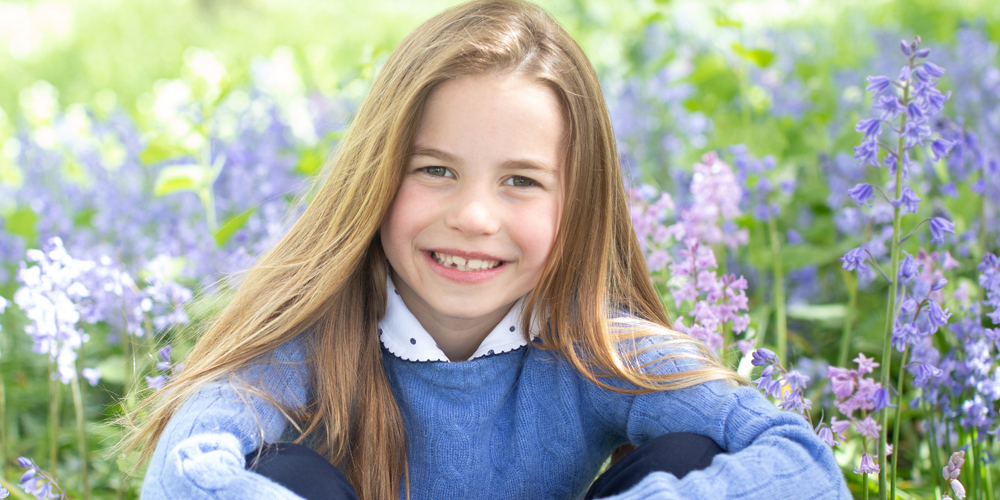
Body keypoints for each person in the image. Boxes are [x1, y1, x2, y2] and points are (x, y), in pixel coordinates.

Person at [124, 1, 851, 498]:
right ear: (377, 176)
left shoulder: (593, 346)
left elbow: (807, 467)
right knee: (278, 469)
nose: (473, 216)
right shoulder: (310, 343)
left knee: (698, 454)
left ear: (577, 203)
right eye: (436, 169)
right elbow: (181, 478)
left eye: (521, 181)